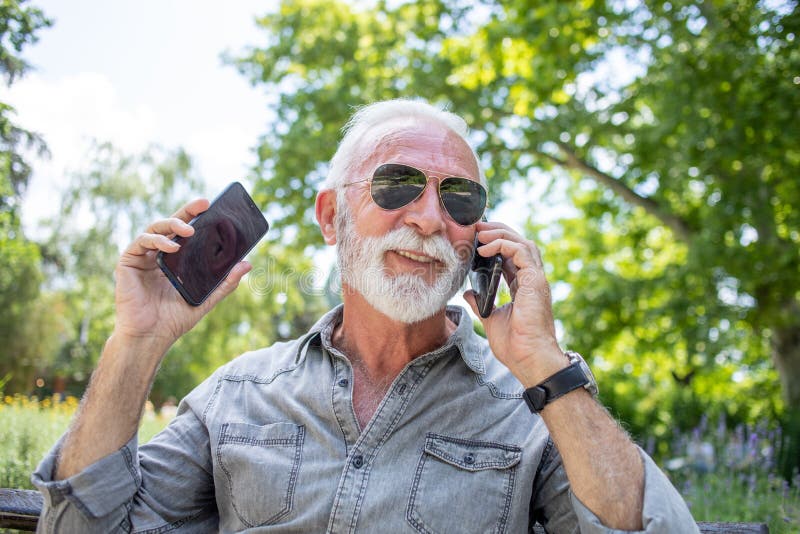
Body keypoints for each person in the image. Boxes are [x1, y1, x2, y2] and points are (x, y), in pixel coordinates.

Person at [33, 99, 698, 533]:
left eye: (460, 199)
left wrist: (544, 361)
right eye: (396, 184)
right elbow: (80, 528)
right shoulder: (237, 397)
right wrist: (137, 341)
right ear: (331, 217)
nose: (430, 218)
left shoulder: (534, 411)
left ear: (480, 234)